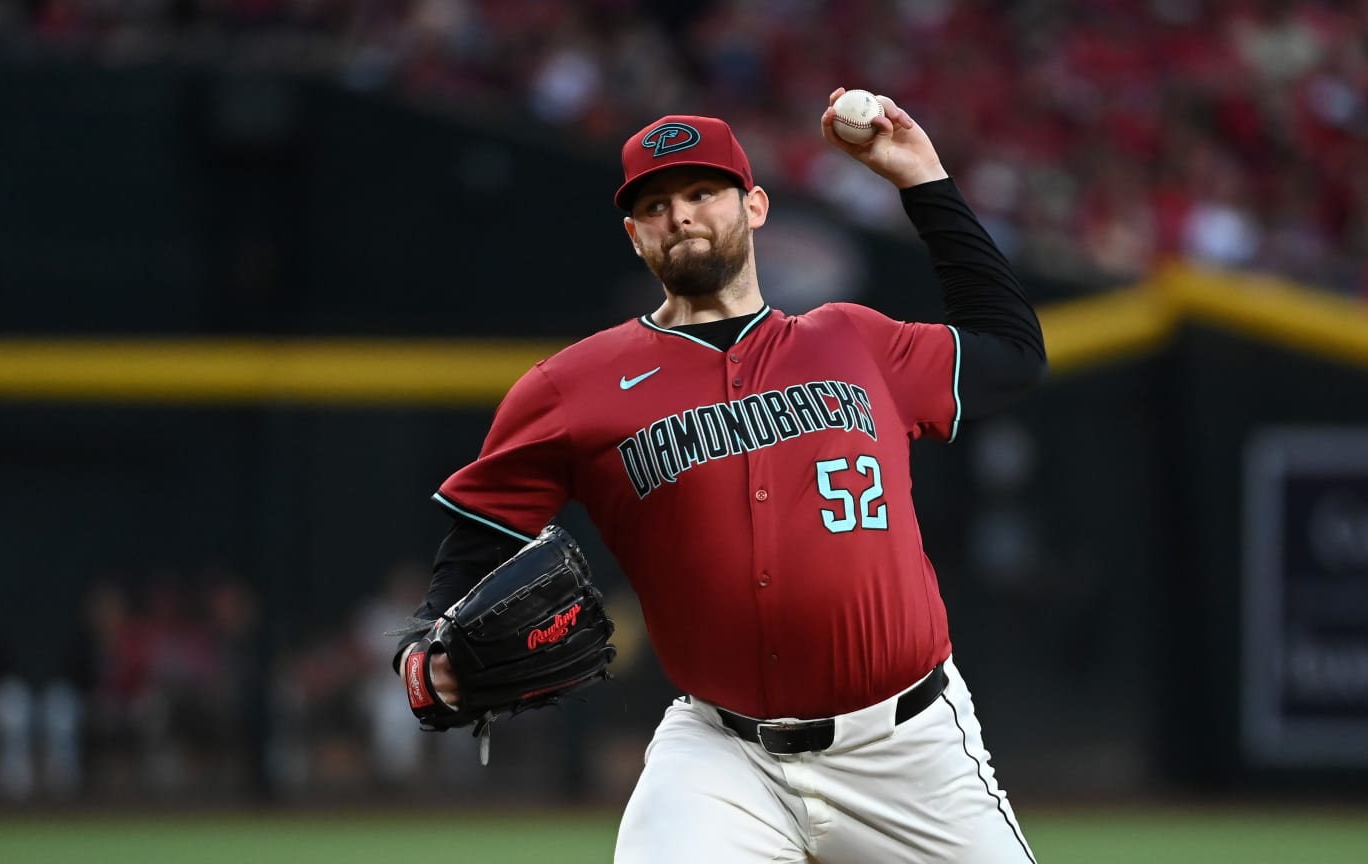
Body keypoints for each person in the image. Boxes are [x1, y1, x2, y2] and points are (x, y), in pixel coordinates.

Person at [395, 88, 1046, 863]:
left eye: (704, 192)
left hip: (909, 749)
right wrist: (426, 643)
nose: (682, 215)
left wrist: (924, 179)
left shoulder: (855, 341)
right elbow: (480, 536)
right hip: (723, 755)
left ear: (756, 206)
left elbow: (1011, 351)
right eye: (657, 204)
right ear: (635, 235)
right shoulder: (574, 386)